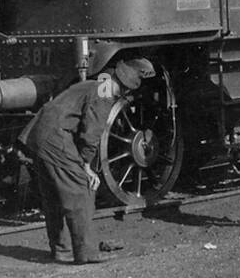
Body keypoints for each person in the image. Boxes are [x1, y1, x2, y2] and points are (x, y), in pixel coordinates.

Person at [20, 55, 155, 263]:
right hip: (56, 137)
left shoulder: (97, 85)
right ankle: (87, 253)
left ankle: (62, 249)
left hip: (38, 135)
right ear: (130, 86)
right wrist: (86, 165)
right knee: (81, 189)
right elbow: (91, 134)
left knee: (54, 197)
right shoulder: (105, 93)